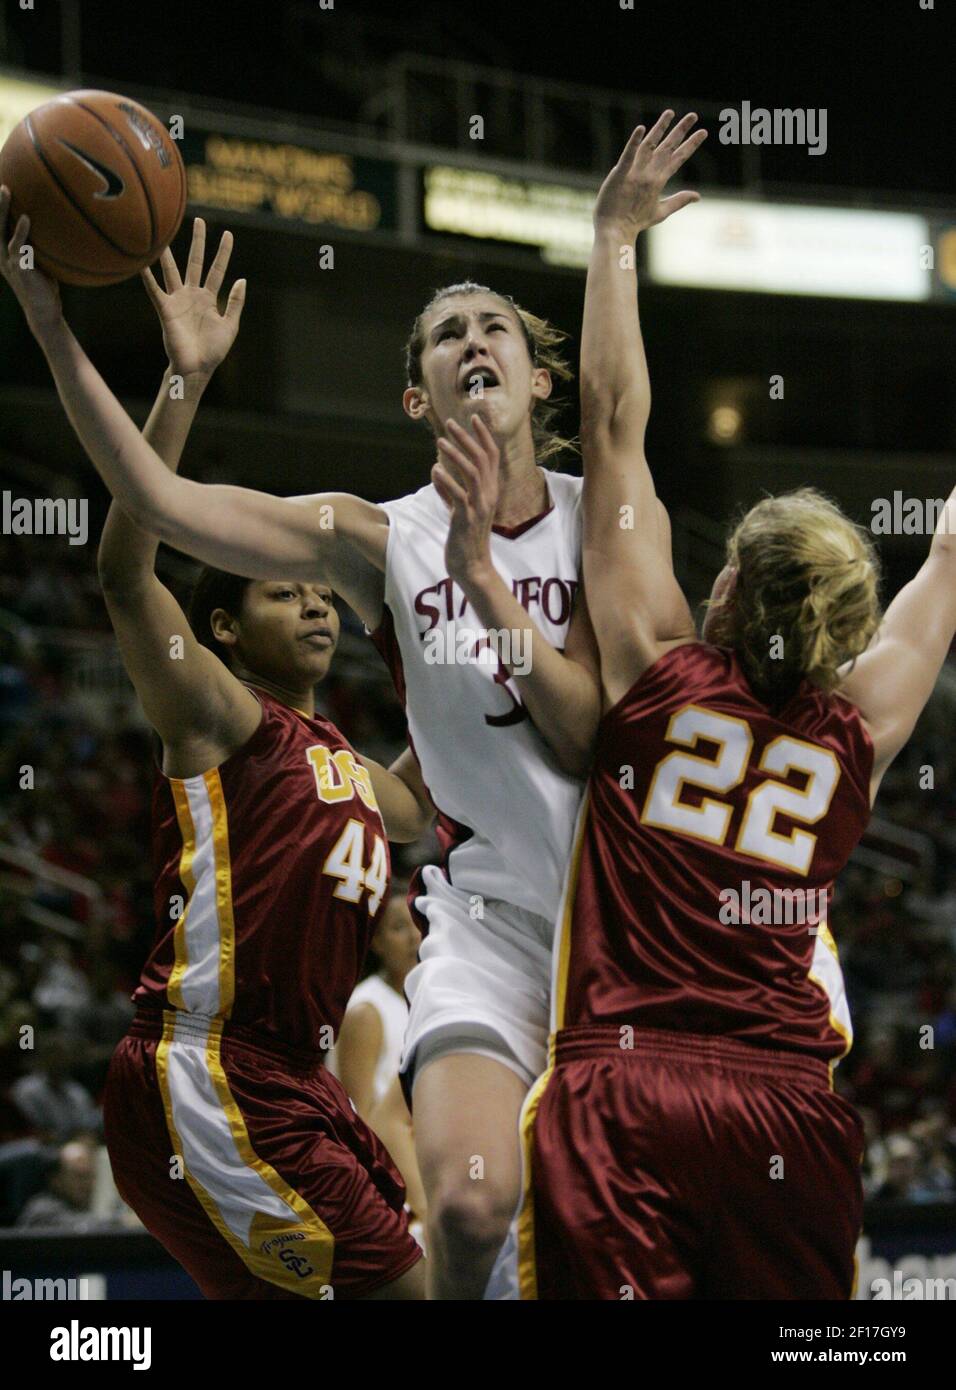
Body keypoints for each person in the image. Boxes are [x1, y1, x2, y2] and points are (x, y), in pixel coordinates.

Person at [0, 183, 603, 1297]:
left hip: (605, 932)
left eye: (494, 326)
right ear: (416, 397)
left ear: (542, 375)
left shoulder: (603, 513)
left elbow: (438, 788)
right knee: (460, 1228)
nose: (471, 341)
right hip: (381, 989)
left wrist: (613, 239)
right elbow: (147, 508)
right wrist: (75, 330)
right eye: (441, 335)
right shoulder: (364, 550)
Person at [488, 113, 956, 1299]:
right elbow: (946, 559)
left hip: (628, 1086)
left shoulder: (652, 665)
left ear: (731, 581)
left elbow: (607, 425)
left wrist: (611, 241)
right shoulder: (864, 727)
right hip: (787, 1111)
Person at [55, 219, 429, 1299]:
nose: (314, 596)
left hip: (290, 1083)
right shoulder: (225, 718)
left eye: (319, 589)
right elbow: (126, 573)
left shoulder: (349, 766)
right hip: (207, 1066)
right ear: (219, 628)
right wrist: (183, 381)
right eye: (281, 589)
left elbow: (426, 791)